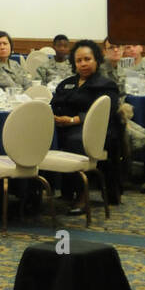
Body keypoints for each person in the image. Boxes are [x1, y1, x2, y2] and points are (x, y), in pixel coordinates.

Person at [50, 39, 121, 213]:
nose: (83, 64)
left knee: (76, 140)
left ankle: (83, 194)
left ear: (96, 60)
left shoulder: (106, 85)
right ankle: (36, 192)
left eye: (87, 59)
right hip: (63, 126)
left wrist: (74, 120)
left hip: (97, 130)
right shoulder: (67, 83)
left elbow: (104, 112)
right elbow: (54, 103)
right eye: (79, 60)